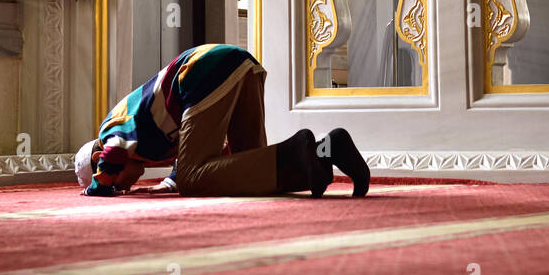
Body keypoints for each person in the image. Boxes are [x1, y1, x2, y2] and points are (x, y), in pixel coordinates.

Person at [75, 44, 369, 198]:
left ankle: (300, 149)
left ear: (100, 160)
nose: (124, 188)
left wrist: (99, 187)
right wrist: (170, 181)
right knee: (249, 172)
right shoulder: (146, 148)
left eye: (118, 184)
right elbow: (204, 150)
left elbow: (113, 153)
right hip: (239, 65)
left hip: (203, 73)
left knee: (193, 179)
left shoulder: (110, 131)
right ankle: (325, 150)